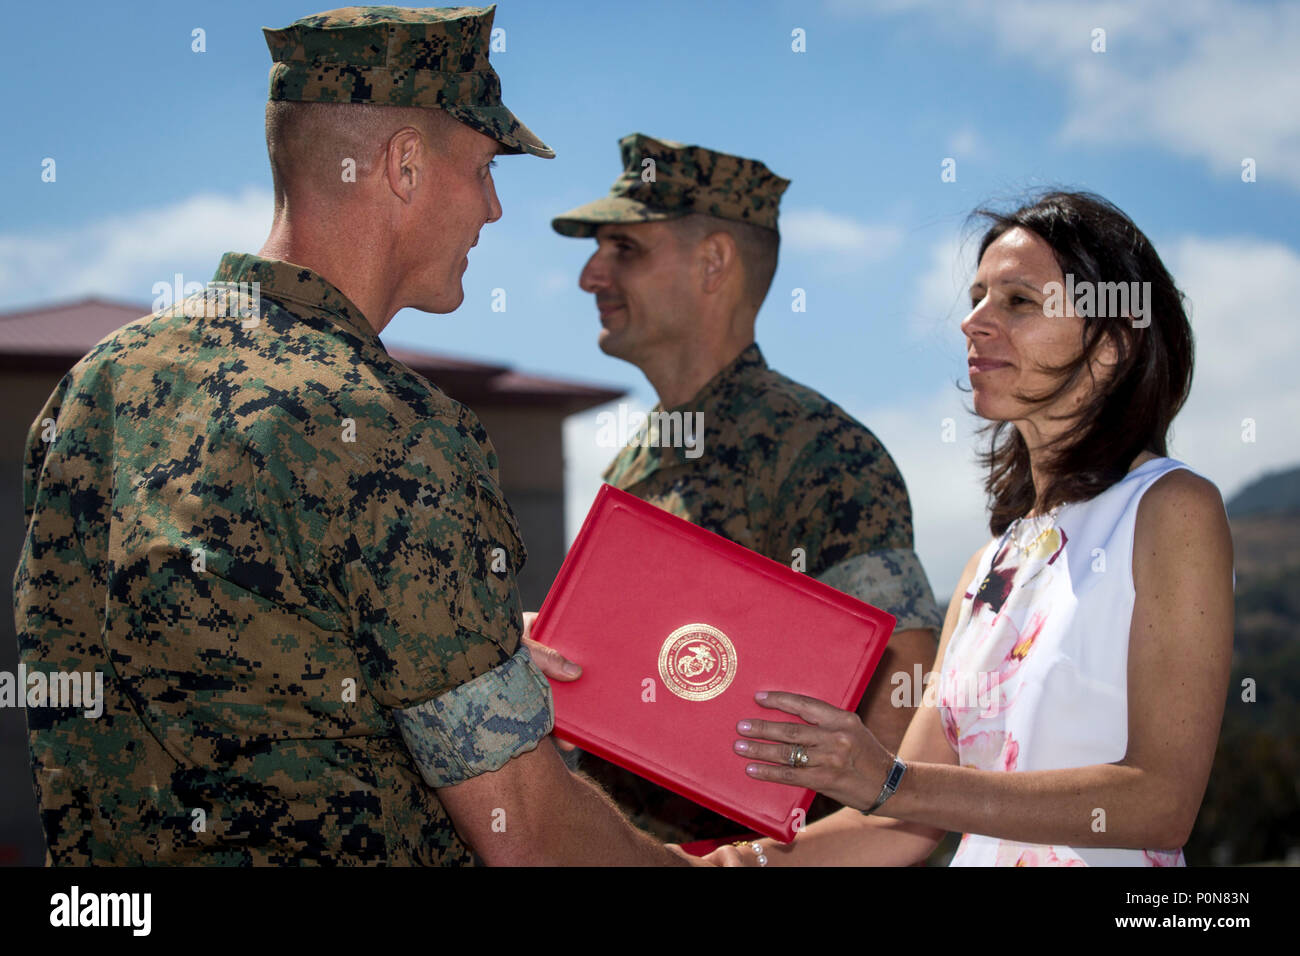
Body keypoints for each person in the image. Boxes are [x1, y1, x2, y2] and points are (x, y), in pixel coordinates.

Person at [13, 5, 687, 867]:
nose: (494, 207)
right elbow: (527, 830)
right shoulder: (386, 423)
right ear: (404, 165)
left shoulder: (101, 383)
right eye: (483, 168)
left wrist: (456, 642)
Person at [711, 190, 1234, 867]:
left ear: (1112, 344)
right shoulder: (986, 566)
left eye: (1018, 301)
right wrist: (713, 864)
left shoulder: (1172, 507)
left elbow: (1161, 803)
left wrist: (893, 783)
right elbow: (894, 824)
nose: (974, 322)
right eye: (978, 296)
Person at [545, 133, 943, 845]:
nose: (590, 276)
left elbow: (897, 767)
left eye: (624, 249)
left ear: (713, 263)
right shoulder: (637, 460)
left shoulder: (822, 452)